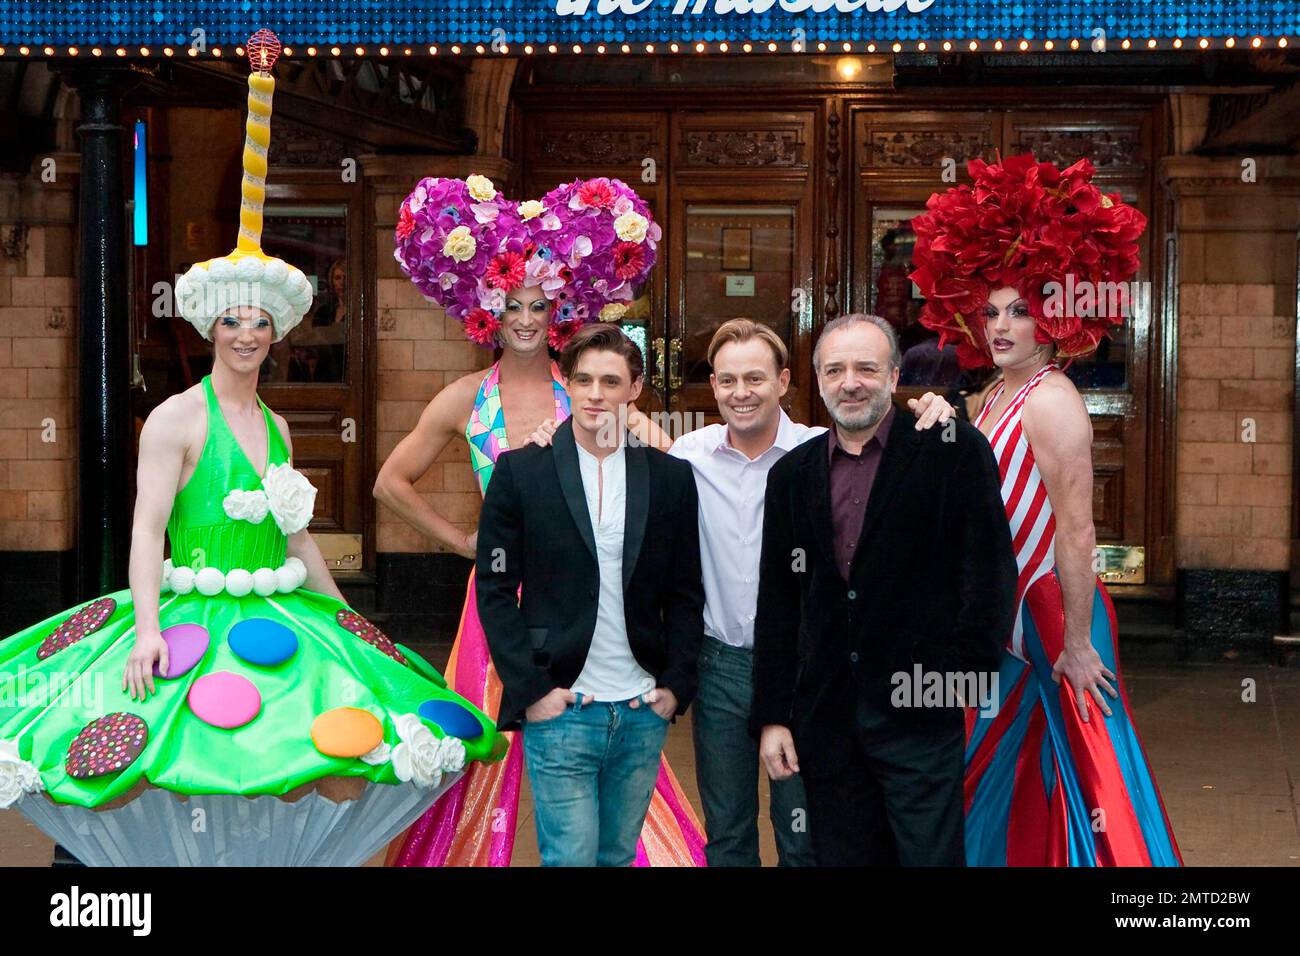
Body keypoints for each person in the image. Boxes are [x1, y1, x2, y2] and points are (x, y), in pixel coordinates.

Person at [0, 32, 502, 866]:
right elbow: (145, 533)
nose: (245, 333)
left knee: (296, 760)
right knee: (182, 764)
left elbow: (295, 534)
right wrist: (149, 629)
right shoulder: (173, 420)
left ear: (275, 334)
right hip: (192, 614)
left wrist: (344, 615)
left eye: (258, 322)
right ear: (211, 325)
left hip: (274, 613)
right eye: (231, 320)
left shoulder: (274, 424)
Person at [530, 319, 957, 866]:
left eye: (755, 378)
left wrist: (936, 412)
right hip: (721, 666)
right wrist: (550, 436)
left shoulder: (819, 451)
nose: (741, 393)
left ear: (783, 381)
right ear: (713, 386)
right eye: (727, 380)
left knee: (804, 829)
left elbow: (891, 445)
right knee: (728, 830)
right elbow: (610, 423)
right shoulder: (688, 456)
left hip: (806, 670)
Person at [382, 173, 706, 866]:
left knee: (601, 770)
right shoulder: (466, 396)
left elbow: (671, 462)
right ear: (488, 314)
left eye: (539, 305)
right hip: (498, 599)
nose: (526, 319)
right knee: (482, 750)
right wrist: (463, 542)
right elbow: (390, 484)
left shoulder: (585, 385)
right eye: (512, 306)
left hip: (591, 598)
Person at [909, 153, 1183, 866]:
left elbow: (1077, 526)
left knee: (1098, 770)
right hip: (1007, 610)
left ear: (1055, 318)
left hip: (1059, 609)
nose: (1000, 325)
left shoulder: (1052, 399)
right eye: (991, 309)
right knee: (996, 761)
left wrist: (1081, 640)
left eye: (1021, 311)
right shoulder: (995, 393)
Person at [751, 313, 1018, 866]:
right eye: (836, 369)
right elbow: (778, 604)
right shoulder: (791, 475)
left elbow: (987, 575)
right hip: (827, 723)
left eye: (866, 368)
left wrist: (956, 681)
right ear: (819, 381)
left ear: (895, 376)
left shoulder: (951, 452)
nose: (851, 381)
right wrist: (775, 715)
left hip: (920, 711)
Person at [476, 324, 706, 866]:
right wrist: (534, 690)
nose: (596, 394)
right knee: (571, 857)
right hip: (561, 707)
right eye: (583, 380)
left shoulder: (670, 477)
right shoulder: (520, 471)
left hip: (641, 709)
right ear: (568, 385)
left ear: (635, 389)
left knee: (618, 856)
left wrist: (674, 684)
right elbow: (494, 588)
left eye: (610, 381)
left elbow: (686, 591)